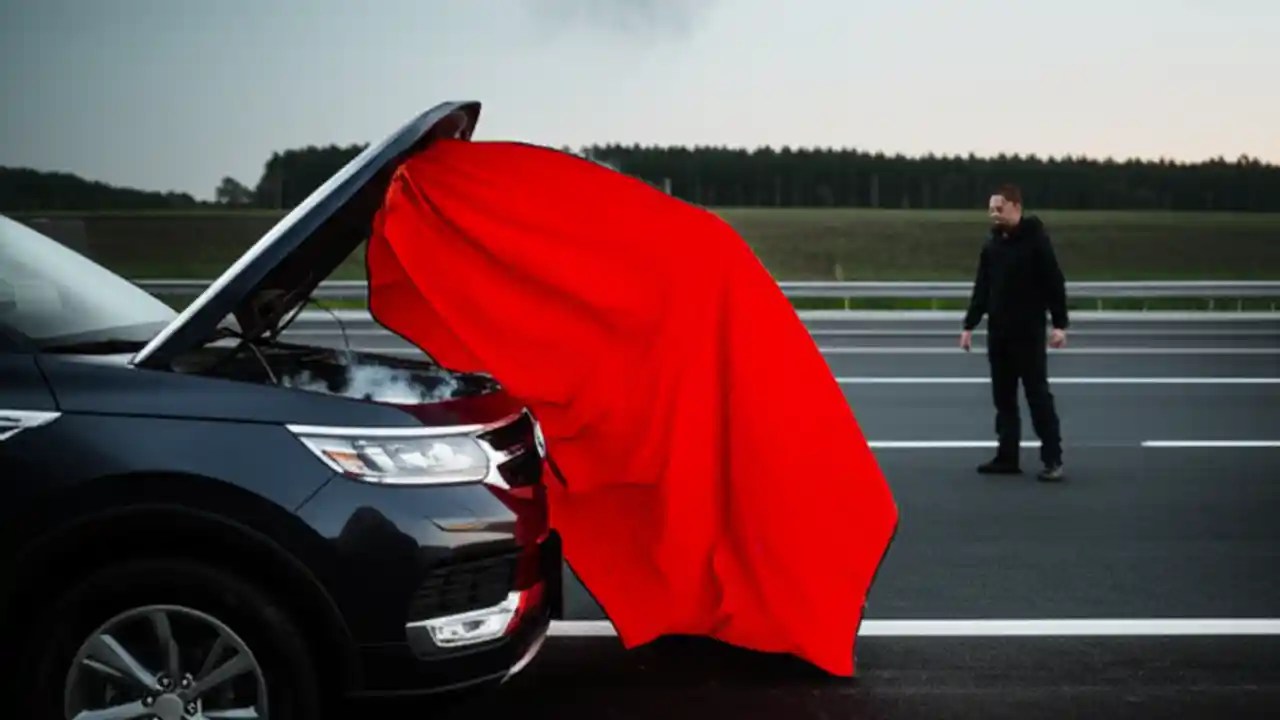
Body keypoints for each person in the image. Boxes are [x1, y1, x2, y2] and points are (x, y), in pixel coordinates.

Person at [960, 184, 1068, 481]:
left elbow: (1054, 282)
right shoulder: (992, 244)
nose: (994, 214)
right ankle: (1007, 457)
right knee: (1003, 399)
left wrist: (1059, 325)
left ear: (1016, 208)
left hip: (1028, 333)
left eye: (1000, 208)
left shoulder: (1036, 241)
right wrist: (969, 325)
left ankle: (1052, 459)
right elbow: (982, 287)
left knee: (1037, 396)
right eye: (991, 209)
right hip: (999, 334)